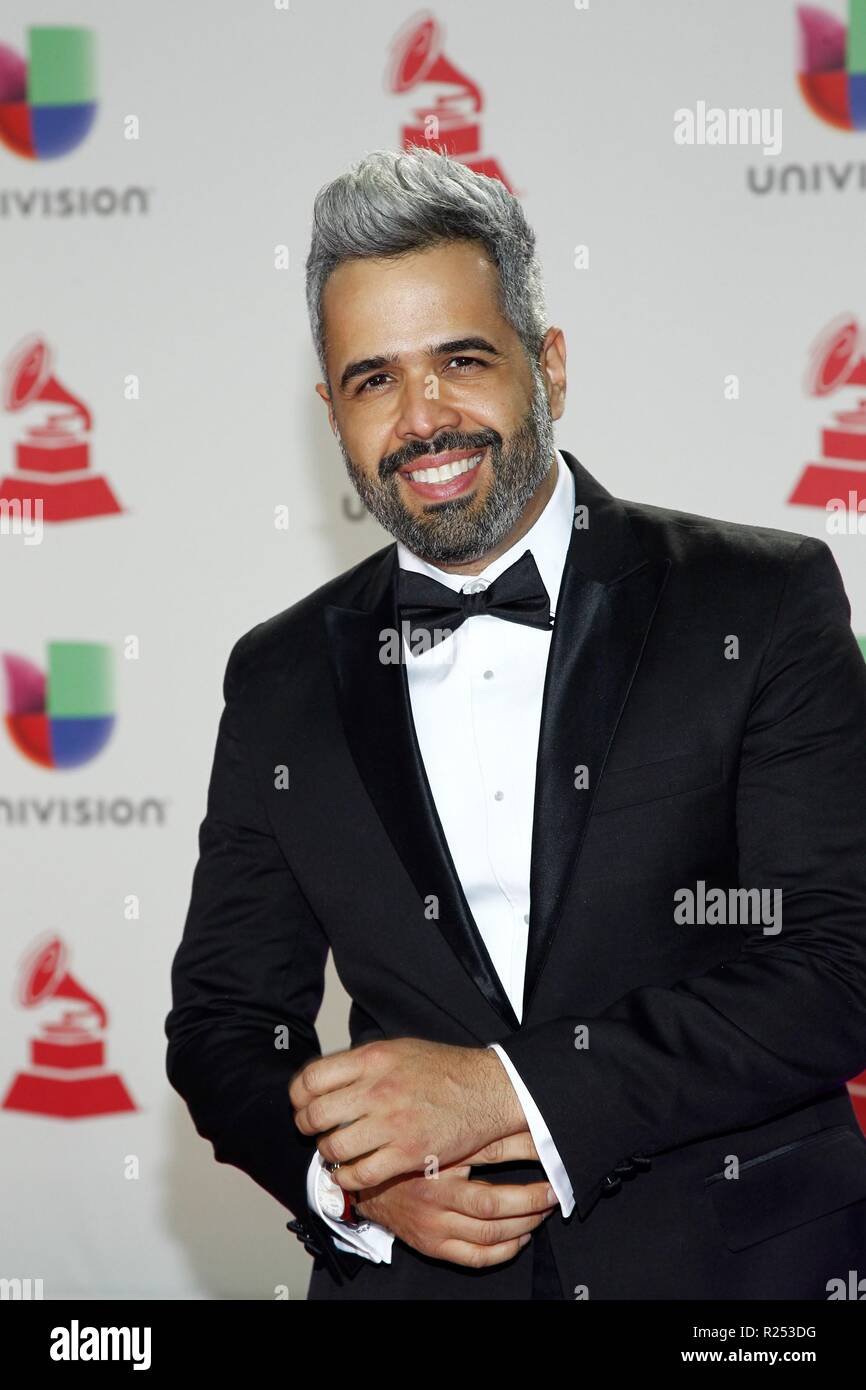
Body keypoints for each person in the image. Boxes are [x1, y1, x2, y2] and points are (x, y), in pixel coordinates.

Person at [165, 146, 866, 1301]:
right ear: (331, 413)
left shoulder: (758, 599)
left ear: (548, 363)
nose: (421, 418)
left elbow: (837, 961)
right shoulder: (278, 675)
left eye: (459, 360)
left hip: (742, 1282)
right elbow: (226, 1019)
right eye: (372, 378)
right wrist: (348, 1179)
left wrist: (504, 1091)